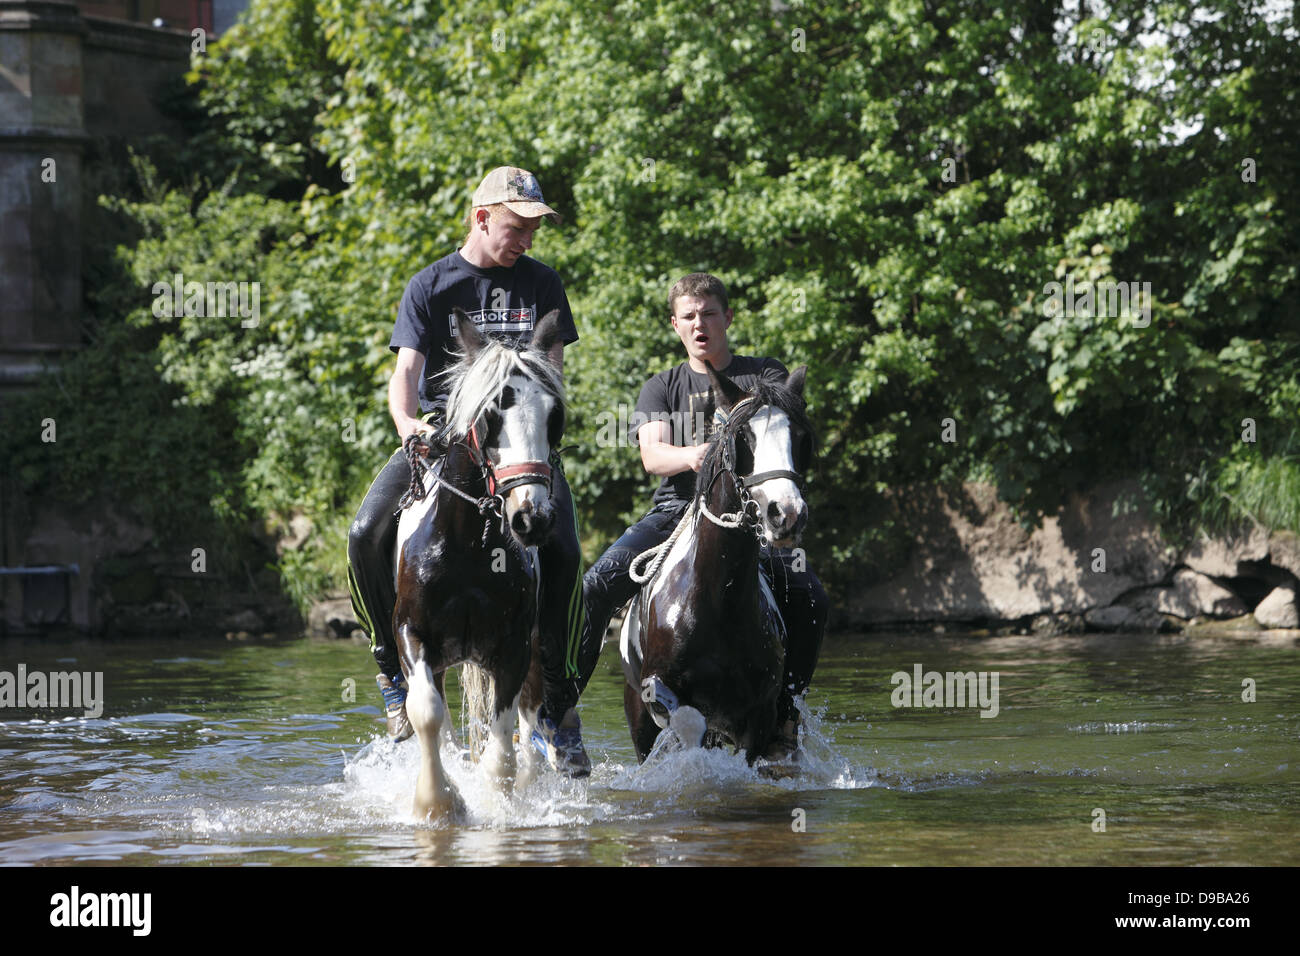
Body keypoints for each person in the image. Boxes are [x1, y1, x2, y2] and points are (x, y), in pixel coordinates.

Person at [346, 166, 592, 776]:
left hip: (520, 447)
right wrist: (410, 428)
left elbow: (554, 374)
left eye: (535, 227)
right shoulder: (431, 284)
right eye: (518, 226)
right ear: (482, 218)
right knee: (363, 534)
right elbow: (405, 375)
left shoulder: (544, 282)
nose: (528, 239)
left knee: (563, 550)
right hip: (443, 444)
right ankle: (390, 677)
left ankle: (559, 703)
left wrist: (536, 434)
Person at [569, 272, 828, 756]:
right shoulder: (661, 387)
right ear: (675, 325)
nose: (700, 324)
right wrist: (702, 455)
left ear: (728, 317)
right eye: (689, 316)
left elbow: (784, 428)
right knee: (596, 585)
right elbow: (652, 457)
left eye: (709, 313)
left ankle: (787, 718)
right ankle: (561, 713)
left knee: (810, 594)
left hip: (750, 521)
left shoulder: (764, 375)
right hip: (675, 511)